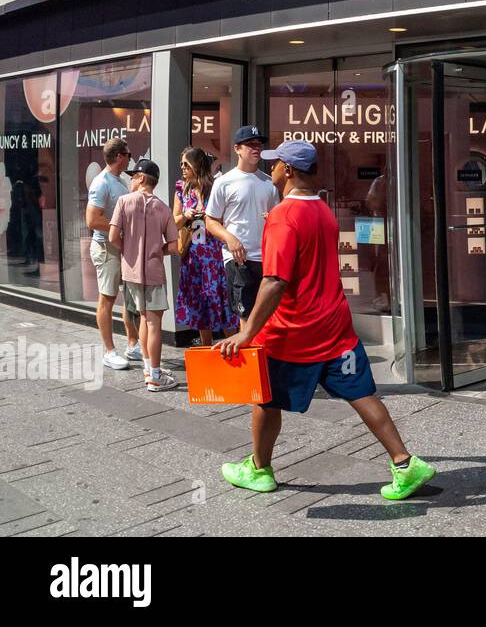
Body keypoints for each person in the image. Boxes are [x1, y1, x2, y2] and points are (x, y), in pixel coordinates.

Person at [215, 140, 436, 501]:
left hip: (292, 332)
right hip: (334, 327)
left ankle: (258, 469)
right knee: (363, 394)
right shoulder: (323, 210)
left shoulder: (283, 217)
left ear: (287, 170)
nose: (270, 169)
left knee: (265, 399)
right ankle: (405, 463)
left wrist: (247, 333)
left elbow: (275, 281)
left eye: (275, 165)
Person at [108, 159, 178, 391]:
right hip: (154, 270)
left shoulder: (123, 202)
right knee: (154, 322)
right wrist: (157, 251)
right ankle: (154, 375)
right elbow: (175, 246)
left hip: (131, 272)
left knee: (143, 318)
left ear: (142, 178)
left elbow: (112, 237)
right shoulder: (163, 208)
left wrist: (128, 250)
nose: (130, 179)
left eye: (133, 176)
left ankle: (151, 370)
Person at [205, 125, 278, 325]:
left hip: (267, 258)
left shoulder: (270, 183)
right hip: (239, 259)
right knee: (245, 316)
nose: (256, 148)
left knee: (268, 316)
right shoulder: (224, 182)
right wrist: (230, 238)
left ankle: (265, 356)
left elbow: (277, 219)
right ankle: (247, 355)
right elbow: (210, 220)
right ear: (237, 148)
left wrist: (272, 219)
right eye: (250, 145)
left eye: (259, 144)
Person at [86, 137, 142, 370]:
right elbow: (92, 219)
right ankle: (109, 352)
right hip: (106, 247)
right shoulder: (102, 183)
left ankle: (132, 345)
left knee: (129, 297)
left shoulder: (118, 180)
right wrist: (117, 229)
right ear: (120, 156)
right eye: (128, 155)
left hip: (120, 247)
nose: (131, 158)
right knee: (107, 298)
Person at [174, 147, 238, 345]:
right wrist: (186, 215)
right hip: (194, 255)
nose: (183, 168)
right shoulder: (181, 188)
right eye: (181, 164)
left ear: (197, 165)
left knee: (222, 301)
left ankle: (233, 347)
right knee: (200, 303)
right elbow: (173, 221)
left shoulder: (216, 186)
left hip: (215, 252)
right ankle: (206, 348)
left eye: (186, 164)